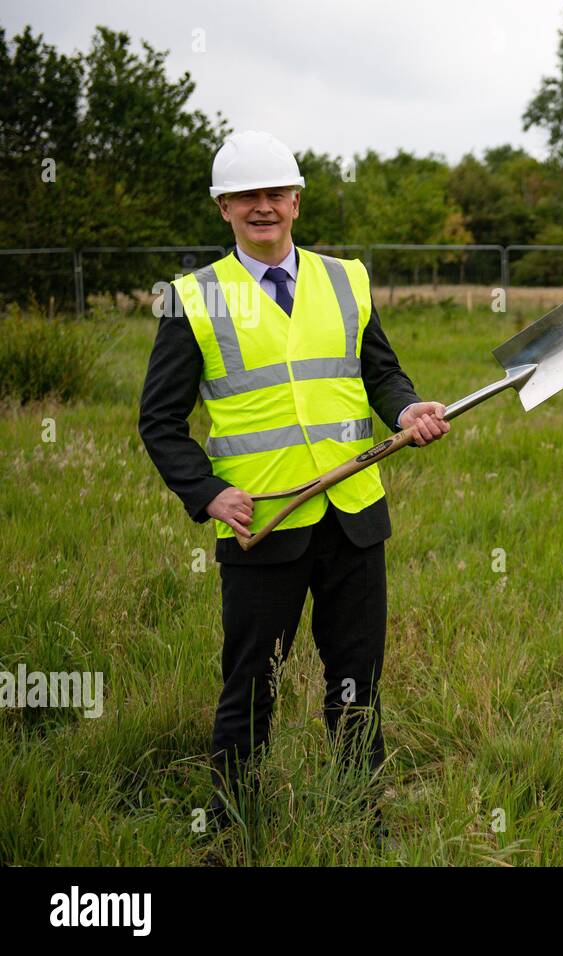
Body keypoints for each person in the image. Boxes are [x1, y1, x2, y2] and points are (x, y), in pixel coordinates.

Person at [138, 130, 449, 838]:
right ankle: (229, 825)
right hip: (263, 524)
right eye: (246, 196)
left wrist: (406, 409)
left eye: (275, 194)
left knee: (356, 680)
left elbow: (380, 372)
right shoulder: (192, 299)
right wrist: (210, 493)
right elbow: (159, 420)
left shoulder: (348, 280)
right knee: (251, 684)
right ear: (223, 208)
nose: (263, 207)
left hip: (354, 516)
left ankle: (358, 813)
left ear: (297, 201)